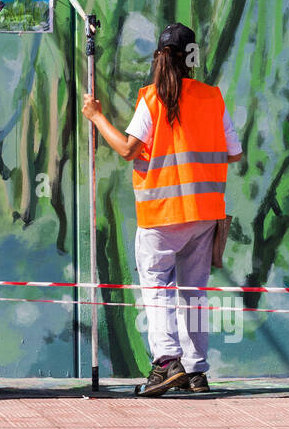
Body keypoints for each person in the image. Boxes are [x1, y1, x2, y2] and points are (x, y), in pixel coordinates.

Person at [80, 22, 242, 397]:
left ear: (159, 58)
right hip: (204, 213)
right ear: (192, 59)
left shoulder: (152, 99)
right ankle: (196, 370)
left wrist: (96, 116)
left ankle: (167, 362)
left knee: (157, 287)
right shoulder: (212, 98)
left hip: (160, 215)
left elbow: (126, 149)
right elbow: (233, 152)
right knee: (193, 291)